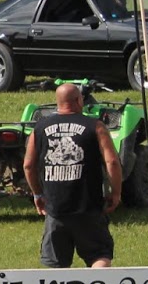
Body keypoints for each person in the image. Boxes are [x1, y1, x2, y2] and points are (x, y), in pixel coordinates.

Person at [23, 82, 123, 268]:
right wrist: (116, 193)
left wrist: (38, 194)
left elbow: (28, 165)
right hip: (88, 208)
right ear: (79, 100)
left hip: (55, 209)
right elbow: (112, 162)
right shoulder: (95, 126)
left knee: (56, 267)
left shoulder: (39, 129)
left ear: (58, 102)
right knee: (99, 255)